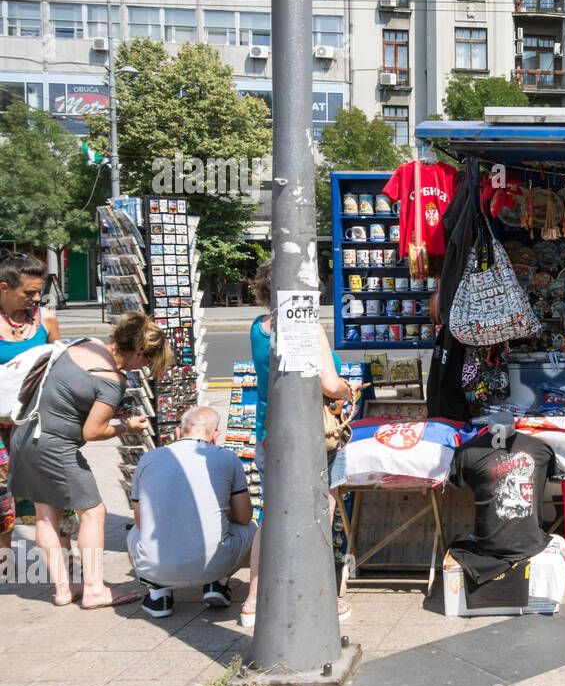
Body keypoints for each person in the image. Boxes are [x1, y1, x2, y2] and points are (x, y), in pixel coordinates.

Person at [8, 312, 170, 608]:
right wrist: (126, 427)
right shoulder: (111, 380)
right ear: (137, 352)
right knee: (94, 513)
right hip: (55, 446)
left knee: (46, 516)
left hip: (24, 436)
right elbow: (93, 431)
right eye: (145, 362)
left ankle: (63, 589)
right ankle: (94, 588)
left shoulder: (87, 344)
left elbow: (71, 395)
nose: (142, 369)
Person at [244, 261, 360, 627]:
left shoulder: (258, 329)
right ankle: (321, 595)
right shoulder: (308, 326)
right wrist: (347, 388)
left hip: (270, 433)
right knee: (318, 512)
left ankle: (252, 601)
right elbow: (329, 384)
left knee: (271, 514)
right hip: (313, 436)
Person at [128, 406, 257, 618]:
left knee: (134, 530)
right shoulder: (228, 458)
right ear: (215, 436)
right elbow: (244, 517)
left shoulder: (148, 459)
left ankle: (158, 593)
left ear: (178, 433)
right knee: (252, 529)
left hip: (154, 567)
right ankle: (219, 582)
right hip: (214, 564)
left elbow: (141, 520)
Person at [0, 253, 62, 555]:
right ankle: (4, 563)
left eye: (39, 291)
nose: (36, 298)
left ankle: (66, 567)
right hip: (1, 426)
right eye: (29, 292)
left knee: (52, 490)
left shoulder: (45, 318)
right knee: (1, 497)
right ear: (4, 288)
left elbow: (58, 366)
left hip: (38, 422)